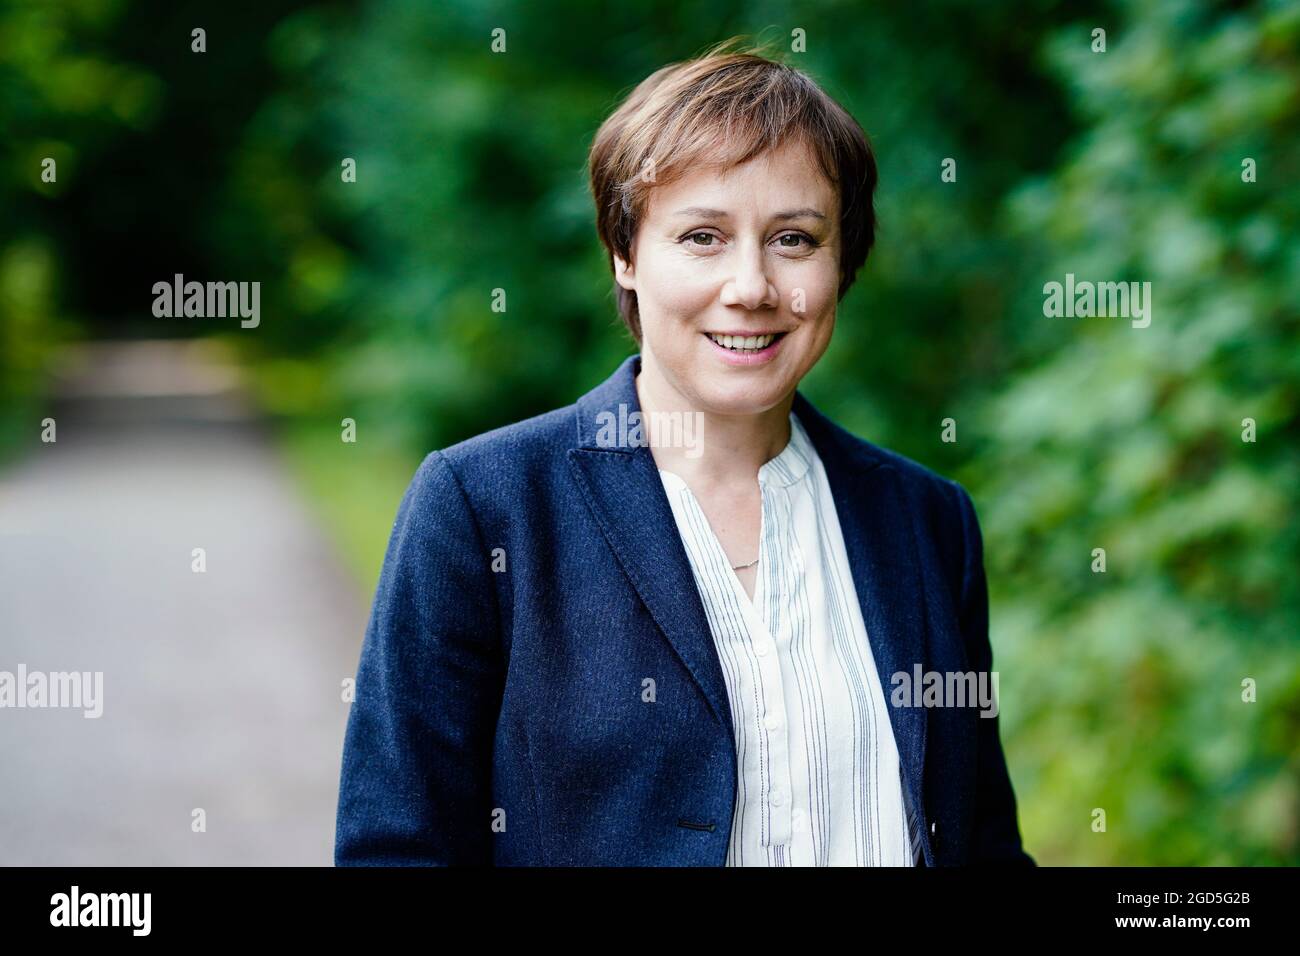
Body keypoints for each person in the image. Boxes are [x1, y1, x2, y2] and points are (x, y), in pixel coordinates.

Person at [334, 39, 1033, 867]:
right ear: (625, 255)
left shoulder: (927, 522)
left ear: (843, 262)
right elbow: (397, 849)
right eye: (702, 236)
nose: (750, 286)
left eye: (795, 240)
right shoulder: (482, 505)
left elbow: (983, 840)